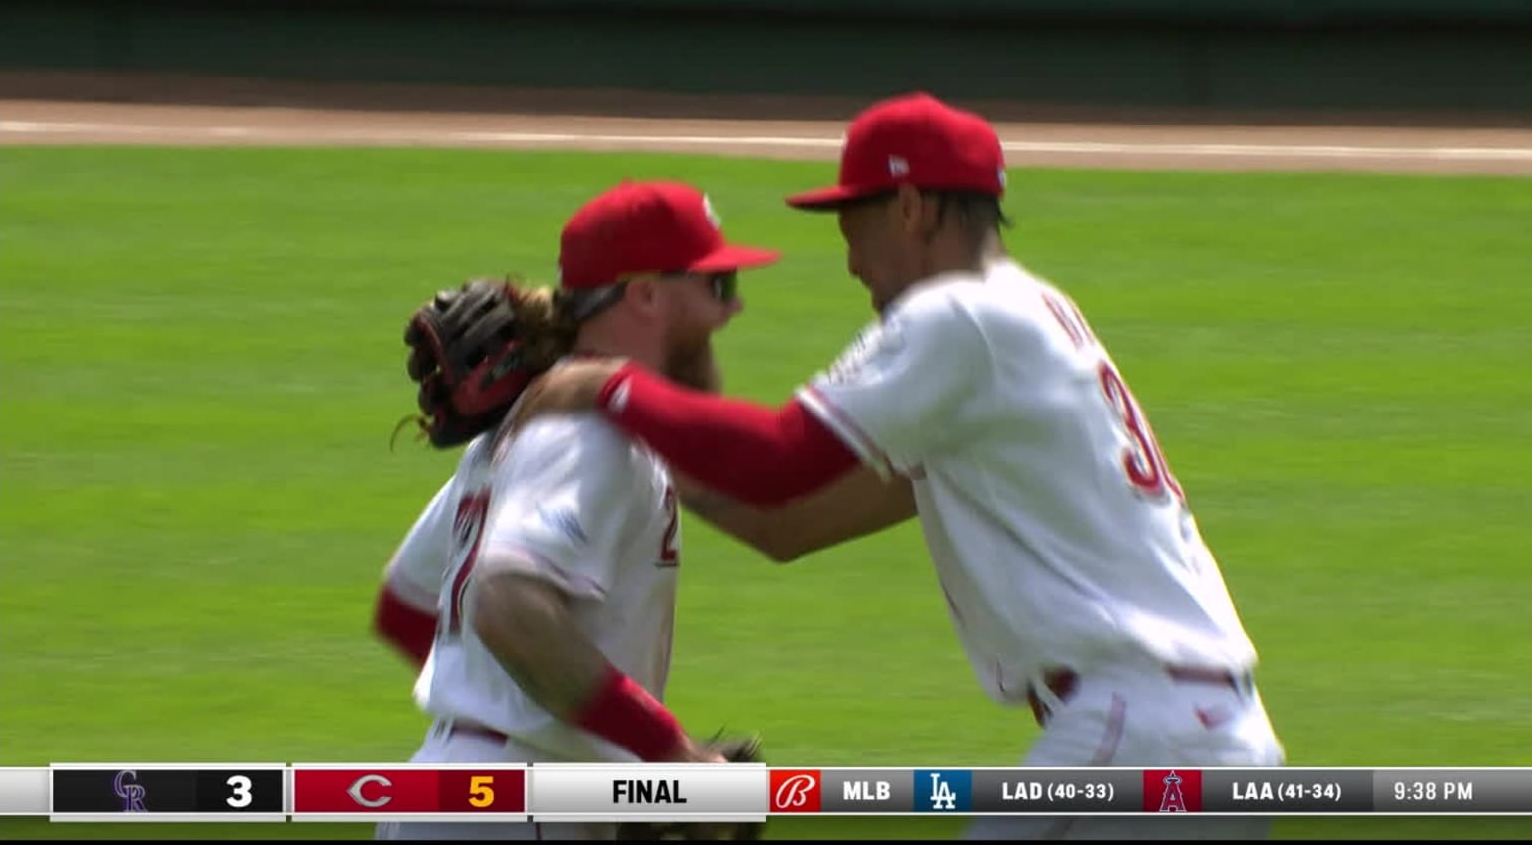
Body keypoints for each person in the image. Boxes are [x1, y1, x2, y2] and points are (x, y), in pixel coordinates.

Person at [511, 92, 1286, 839]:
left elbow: (776, 462)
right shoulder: (1026, 317)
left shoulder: (959, 316)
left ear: (911, 208)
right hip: (1197, 730)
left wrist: (606, 385)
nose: (850, 259)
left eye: (853, 222)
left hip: (1139, 730)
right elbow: (788, 523)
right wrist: (648, 446)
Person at [370, 179, 780, 840]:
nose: (729, 312)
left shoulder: (531, 428)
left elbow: (405, 604)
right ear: (644, 294)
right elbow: (508, 608)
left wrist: (579, 747)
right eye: (716, 288)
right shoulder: (590, 435)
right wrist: (666, 756)